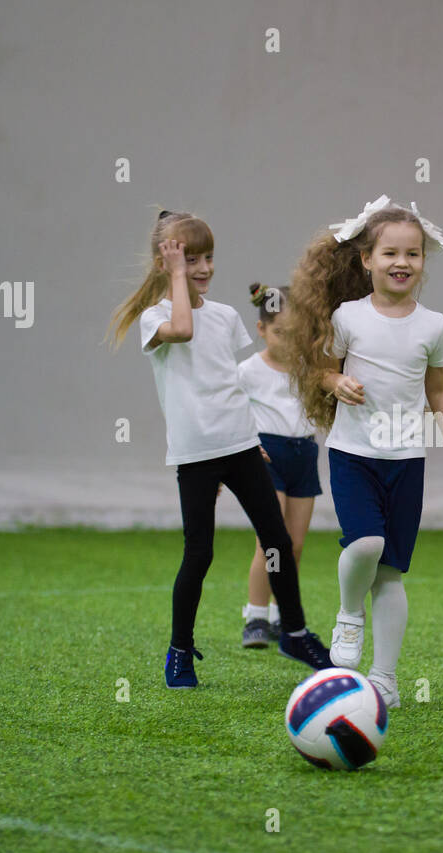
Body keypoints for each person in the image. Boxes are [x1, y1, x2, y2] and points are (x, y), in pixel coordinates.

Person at [105, 210, 331, 688]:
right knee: (199, 554)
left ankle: (293, 631)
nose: (205, 267)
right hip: (195, 454)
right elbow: (184, 330)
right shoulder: (157, 318)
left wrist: (252, 437)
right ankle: (180, 650)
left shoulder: (227, 317)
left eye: (208, 257)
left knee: (277, 541)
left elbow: (226, 383)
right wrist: (177, 276)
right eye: (192, 259)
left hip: (242, 445)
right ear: (166, 262)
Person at [278, 195, 443, 707]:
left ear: (422, 262)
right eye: (390, 253)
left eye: (412, 254)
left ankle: (385, 680)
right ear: (366, 259)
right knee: (366, 544)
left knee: (390, 572)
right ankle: (349, 614)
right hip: (353, 455)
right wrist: (334, 382)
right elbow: (319, 369)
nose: (402, 263)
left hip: (406, 461)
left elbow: (439, 391)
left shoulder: (433, 325)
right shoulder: (347, 317)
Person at [236, 282, 321, 649]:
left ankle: (282, 617)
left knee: (295, 545)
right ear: (261, 330)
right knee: (271, 542)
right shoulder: (248, 371)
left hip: (304, 454)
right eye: (278, 332)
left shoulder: (311, 369)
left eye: (295, 333)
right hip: (265, 455)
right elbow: (230, 412)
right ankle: (255, 616)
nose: (287, 341)